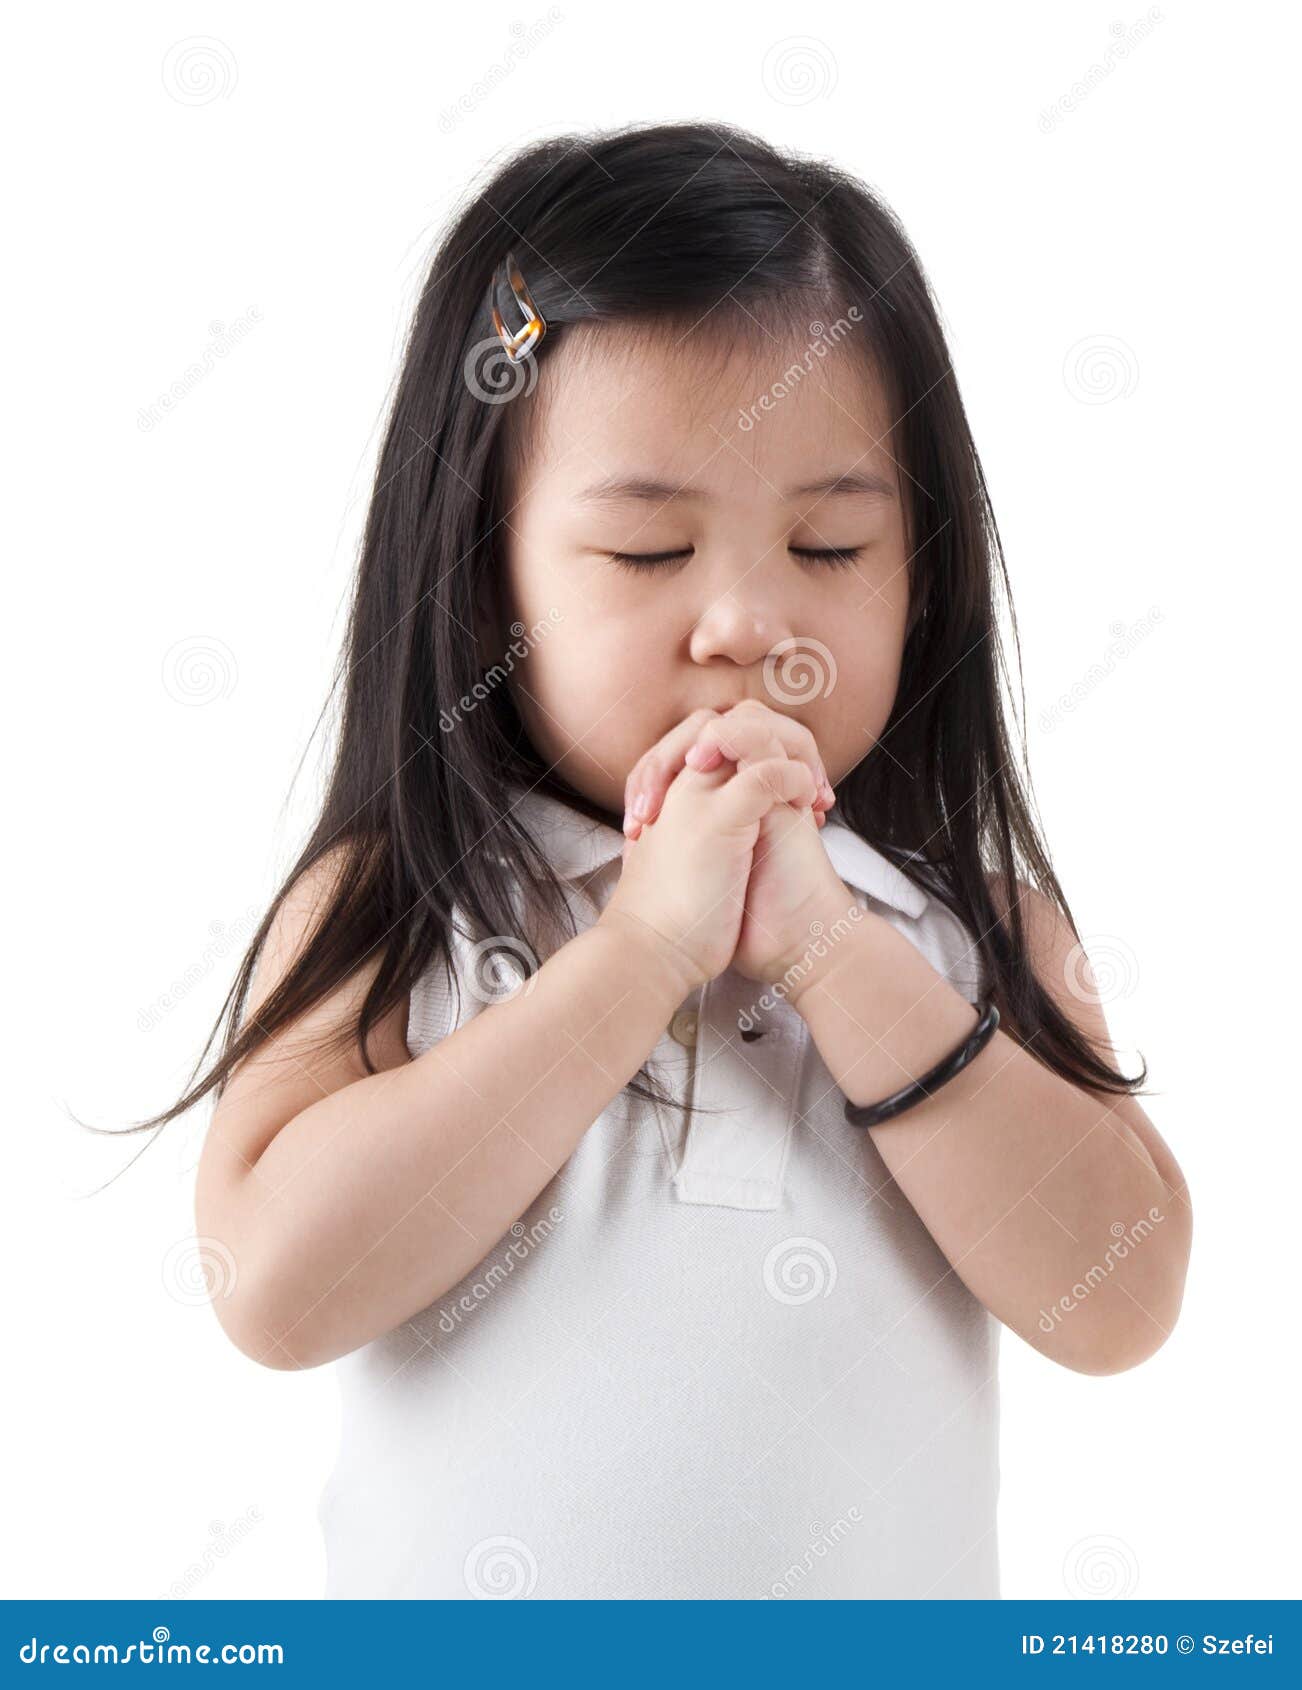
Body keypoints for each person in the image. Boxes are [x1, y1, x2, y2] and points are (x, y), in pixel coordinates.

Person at [142, 121, 1191, 1598]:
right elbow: (272, 1288)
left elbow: (1120, 1296)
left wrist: (832, 947)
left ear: (922, 573)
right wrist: (638, 956)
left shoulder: (973, 932)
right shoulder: (405, 904)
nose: (747, 623)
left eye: (830, 547)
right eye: (644, 555)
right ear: (478, 569)